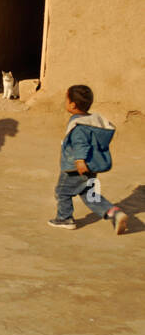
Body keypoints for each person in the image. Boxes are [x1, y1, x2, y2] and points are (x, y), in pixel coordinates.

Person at [49, 84, 128, 233]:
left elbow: (81, 144)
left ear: (72, 104)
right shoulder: (92, 121)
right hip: (91, 166)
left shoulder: (78, 125)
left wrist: (79, 160)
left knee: (62, 191)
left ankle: (65, 218)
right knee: (89, 194)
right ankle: (114, 213)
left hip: (76, 168)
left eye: (66, 100)